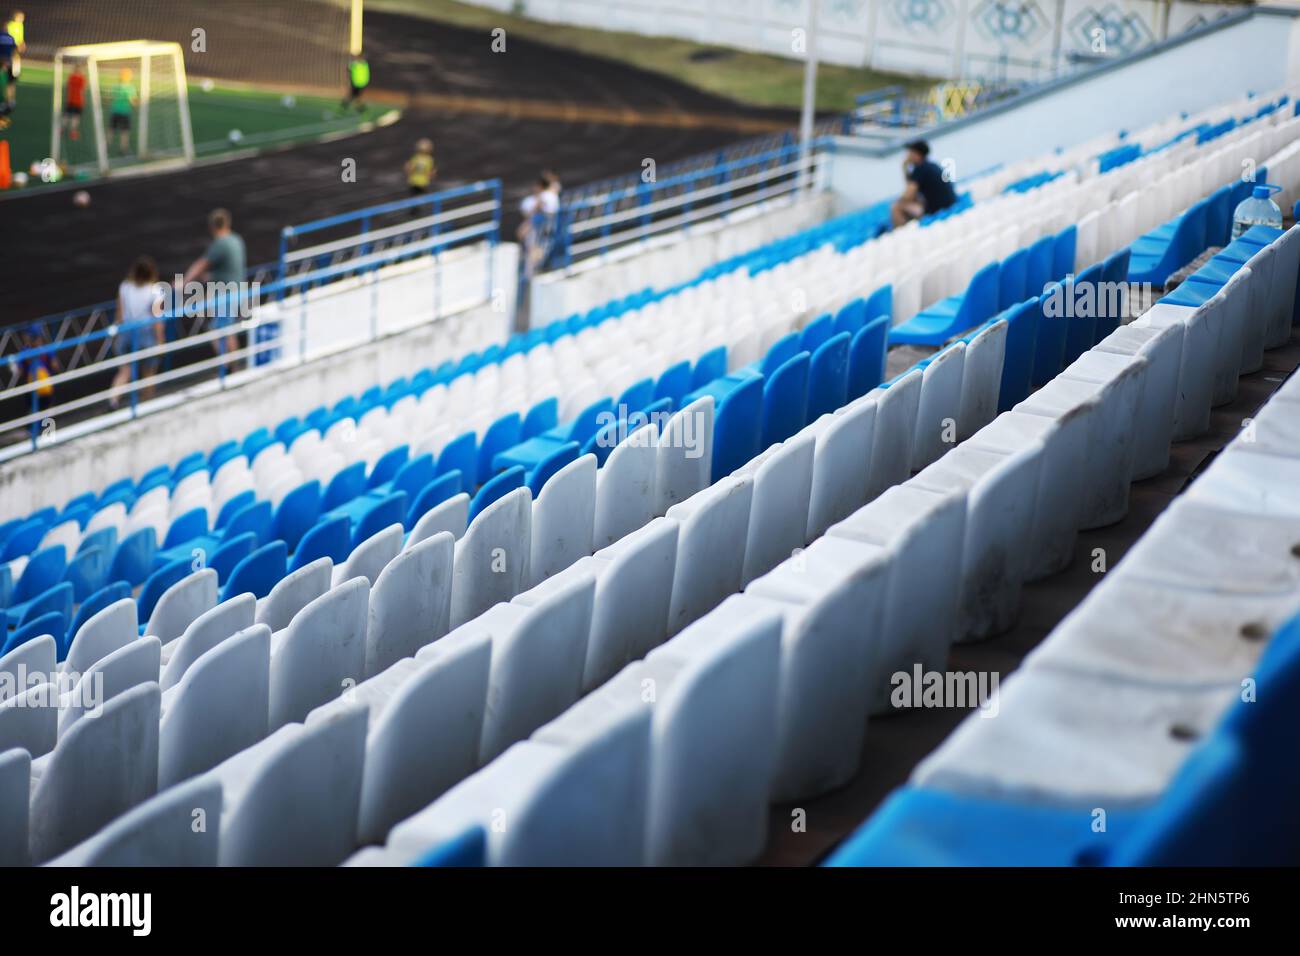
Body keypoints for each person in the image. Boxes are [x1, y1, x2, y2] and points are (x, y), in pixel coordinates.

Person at [181, 209, 247, 372]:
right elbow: (229, 267)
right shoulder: (236, 239)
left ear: (212, 227)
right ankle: (232, 364)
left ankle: (228, 366)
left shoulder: (220, 243)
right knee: (226, 329)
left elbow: (201, 264)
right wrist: (213, 275)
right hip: (237, 290)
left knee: (217, 330)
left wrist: (184, 282)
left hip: (225, 294)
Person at [110, 256, 166, 408]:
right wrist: (161, 341)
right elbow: (157, 320)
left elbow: (119, 315)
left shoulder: (125, 287)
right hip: (146, 334)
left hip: (127, 331)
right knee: (148, 371)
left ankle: (113, 400)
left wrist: (116, 334)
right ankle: (145, 402)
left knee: (125, 370)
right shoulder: (155, 291)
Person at [891, 139, 957, 227]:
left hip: (937, 209)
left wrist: (904, 168)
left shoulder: (919, 169)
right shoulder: (932, 165)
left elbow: (908, 196)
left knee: (896, 207)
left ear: (917, 154)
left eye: (910, 152)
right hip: (951, 203)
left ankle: (902, 233)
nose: (907, 156)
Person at [108, 67, 137, 154]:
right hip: (124, 112)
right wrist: (136, 105)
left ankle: (106, 146)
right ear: (128, 77)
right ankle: (123, 149)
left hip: (115, 111)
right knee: (124, 132)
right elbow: (132, 101)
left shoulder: (115, 86)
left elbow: (111, 97)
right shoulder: (130, 88)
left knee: (111, 130)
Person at [404, 137, 436, 202]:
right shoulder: (429, 159)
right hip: (423, 182)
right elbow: (430, 173)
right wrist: (432, 175)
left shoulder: (416, 158)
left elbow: (410, 168)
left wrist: (408, 172)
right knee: (425, 198)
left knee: (414, 197)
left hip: (414, 181)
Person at [2, 11, 21, 111]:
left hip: (2, 63)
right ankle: (10, 101)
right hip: (8, 63)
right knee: (10, 82)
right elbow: (15, 50)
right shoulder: (11, 38)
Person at [62, 62, 86, 141]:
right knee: (75, 117)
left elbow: (67, 87)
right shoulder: (82, 78)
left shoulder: (71, 77)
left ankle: (63, 129)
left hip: (70, 100)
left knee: (67, 115)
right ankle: (72, 131)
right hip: (78, 101)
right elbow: (82, 90)